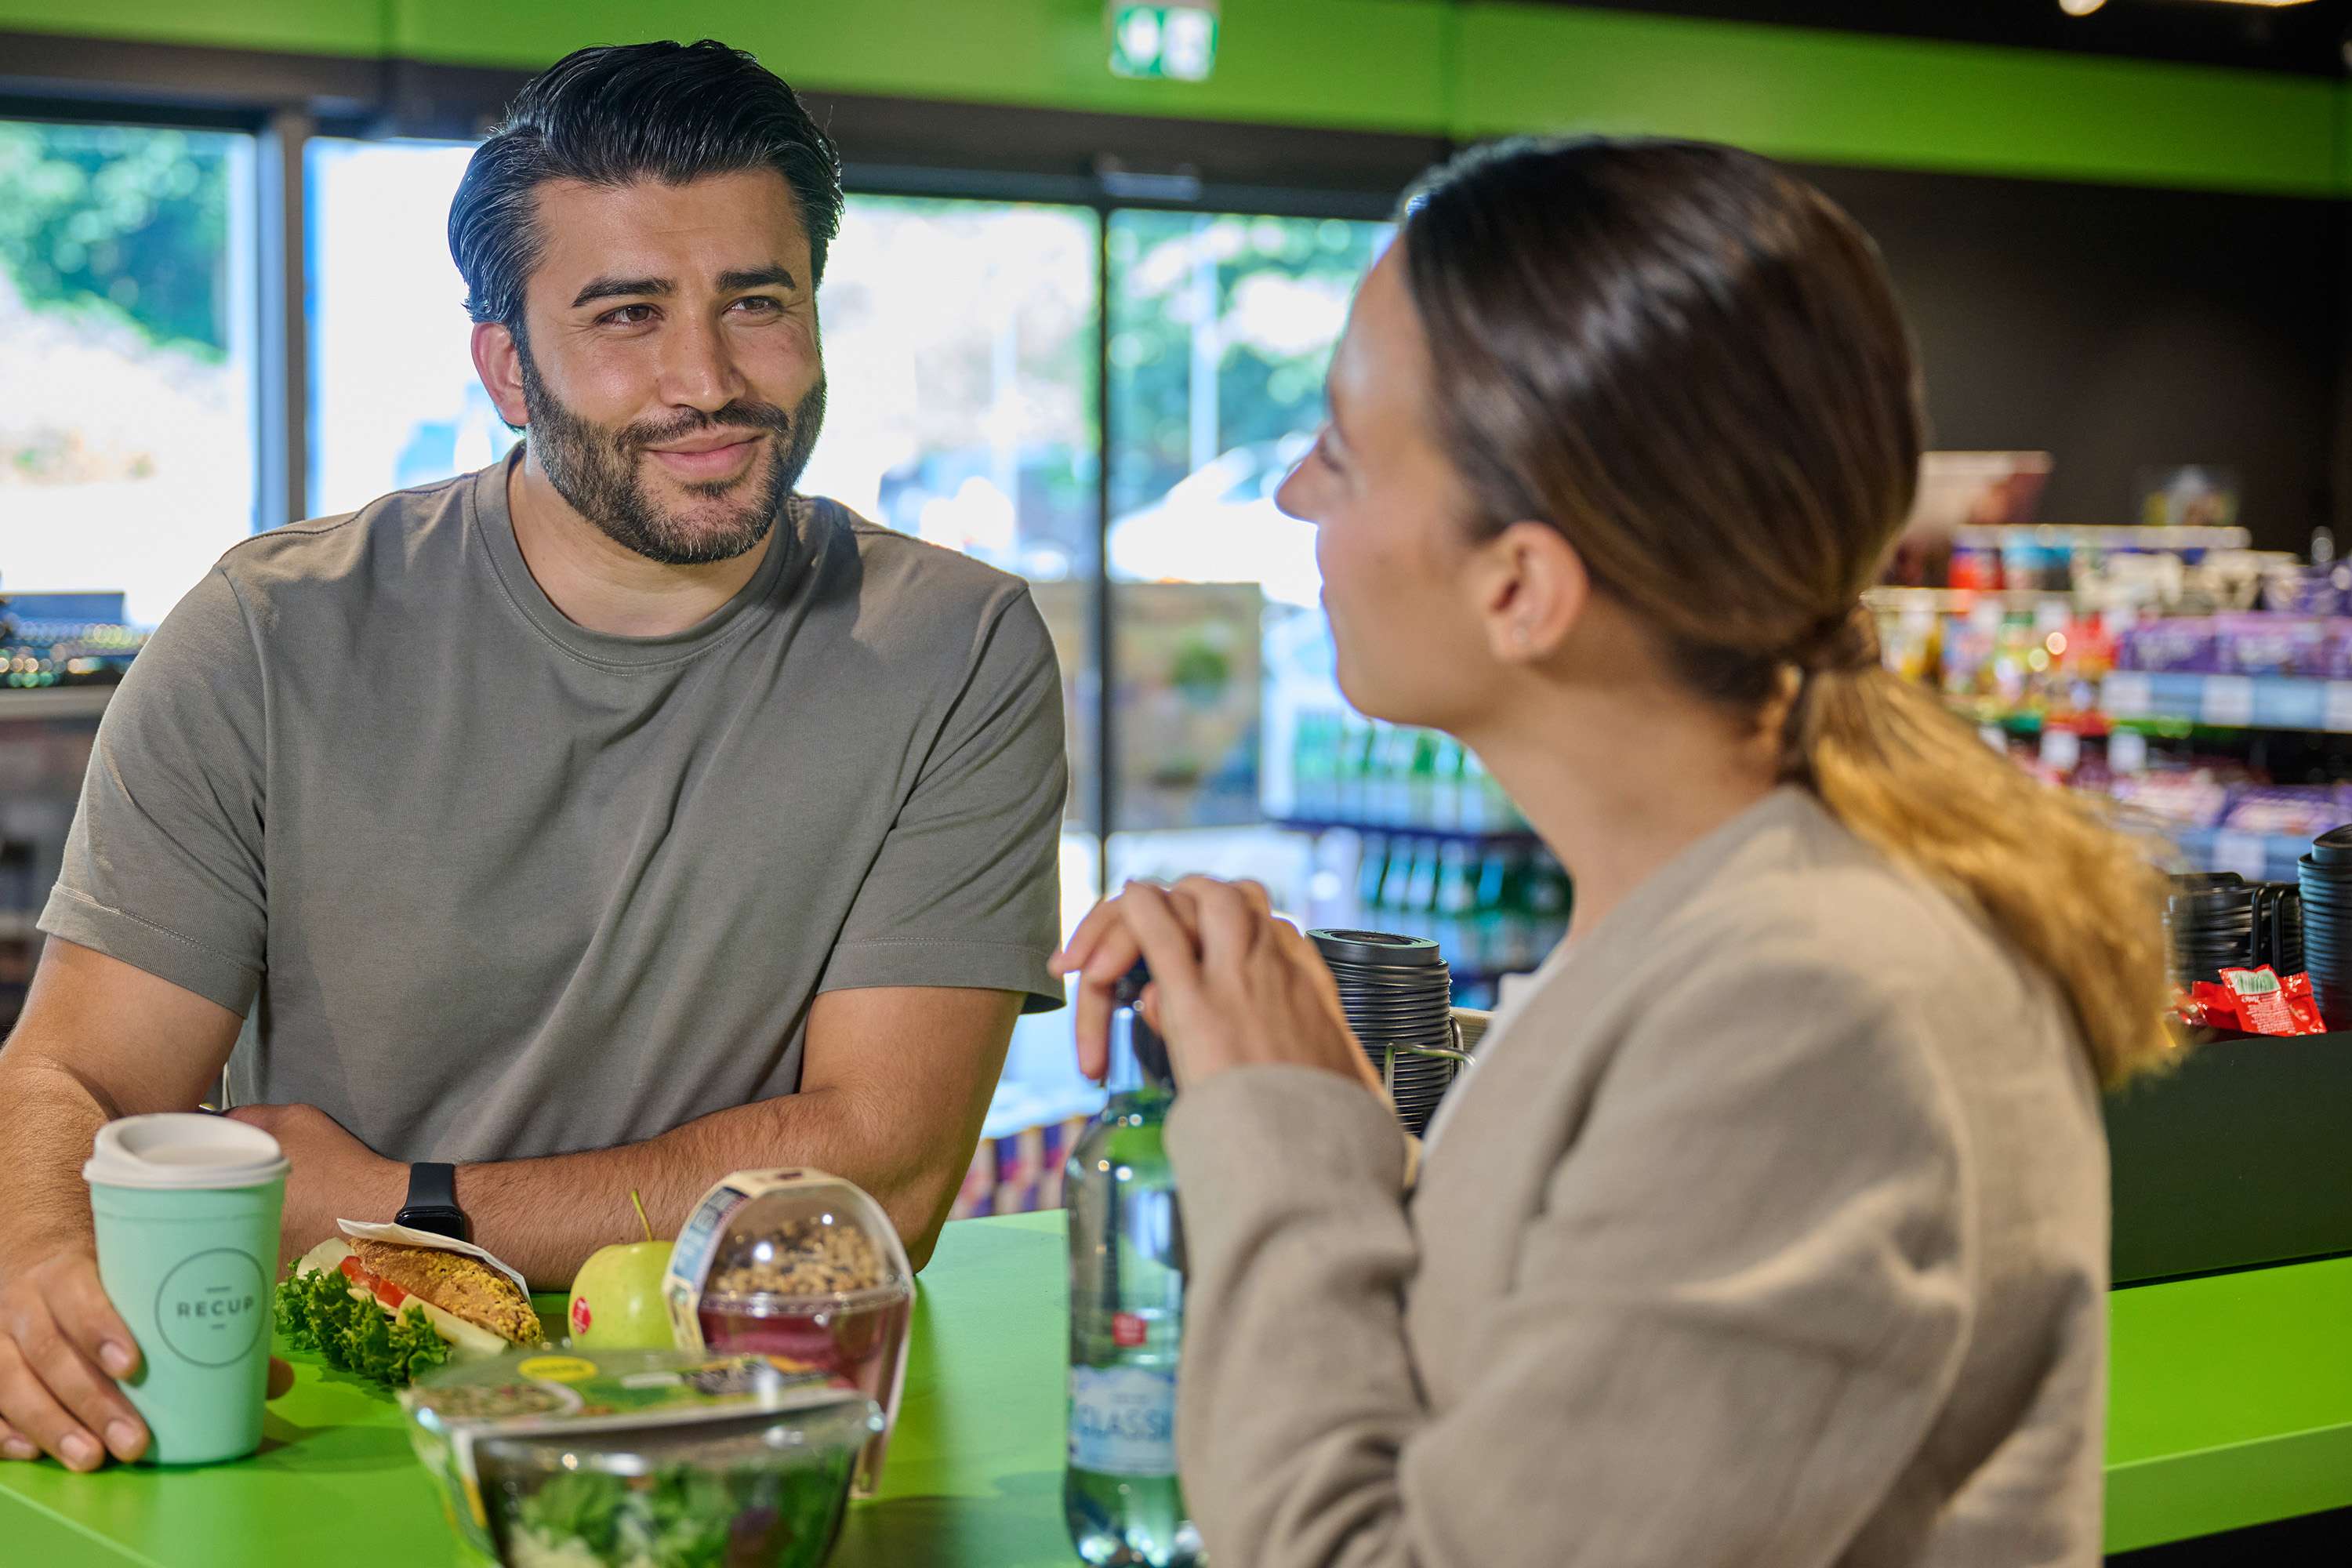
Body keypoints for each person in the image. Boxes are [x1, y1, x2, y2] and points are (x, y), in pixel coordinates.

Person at [1057, 138, 2169, 1566]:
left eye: (1339, 445)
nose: (1292, 498)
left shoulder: (1811, 1015)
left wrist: (1279, 1138)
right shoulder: (1708, 924)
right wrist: (1324, 1104)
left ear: (1520, 587)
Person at [0, 40, 1066, 1473]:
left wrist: (405, 1207)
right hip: (333, 1412)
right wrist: (33, 1261)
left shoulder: (957, 645)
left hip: (753, 1422)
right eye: (626, 315)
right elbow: (76, 1075)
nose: (707, 379)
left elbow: (889, 1167)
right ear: (507, 366)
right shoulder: (271, 633)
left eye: (759, 303)